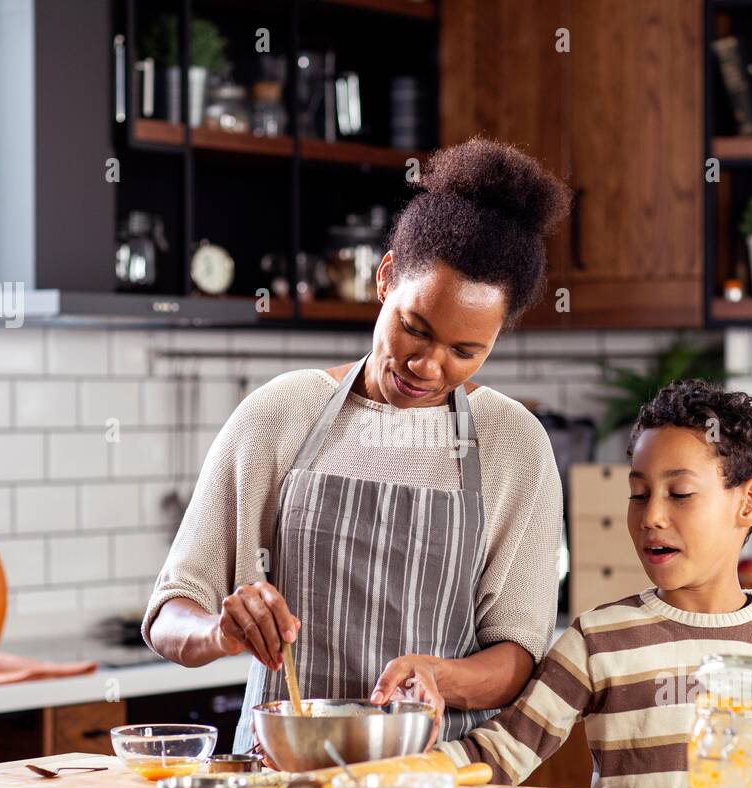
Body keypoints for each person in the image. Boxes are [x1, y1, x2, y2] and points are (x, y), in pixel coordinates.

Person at [142, 138, 573, 756]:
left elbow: (518, 656)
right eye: (414, 329)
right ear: (386, 277)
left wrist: (439, 677)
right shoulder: (279, 415)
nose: (427, 365)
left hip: (433, 784)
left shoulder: (514, 445)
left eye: (464, 351)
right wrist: (219, 629)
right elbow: (168, 616)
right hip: (277, 778)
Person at [438, 379, 752, 788]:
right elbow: (501, 751)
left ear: (751, 502)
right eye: (638, 494)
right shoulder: (599, 640)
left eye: (680, 494)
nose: (651, 517)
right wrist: (398, 775)